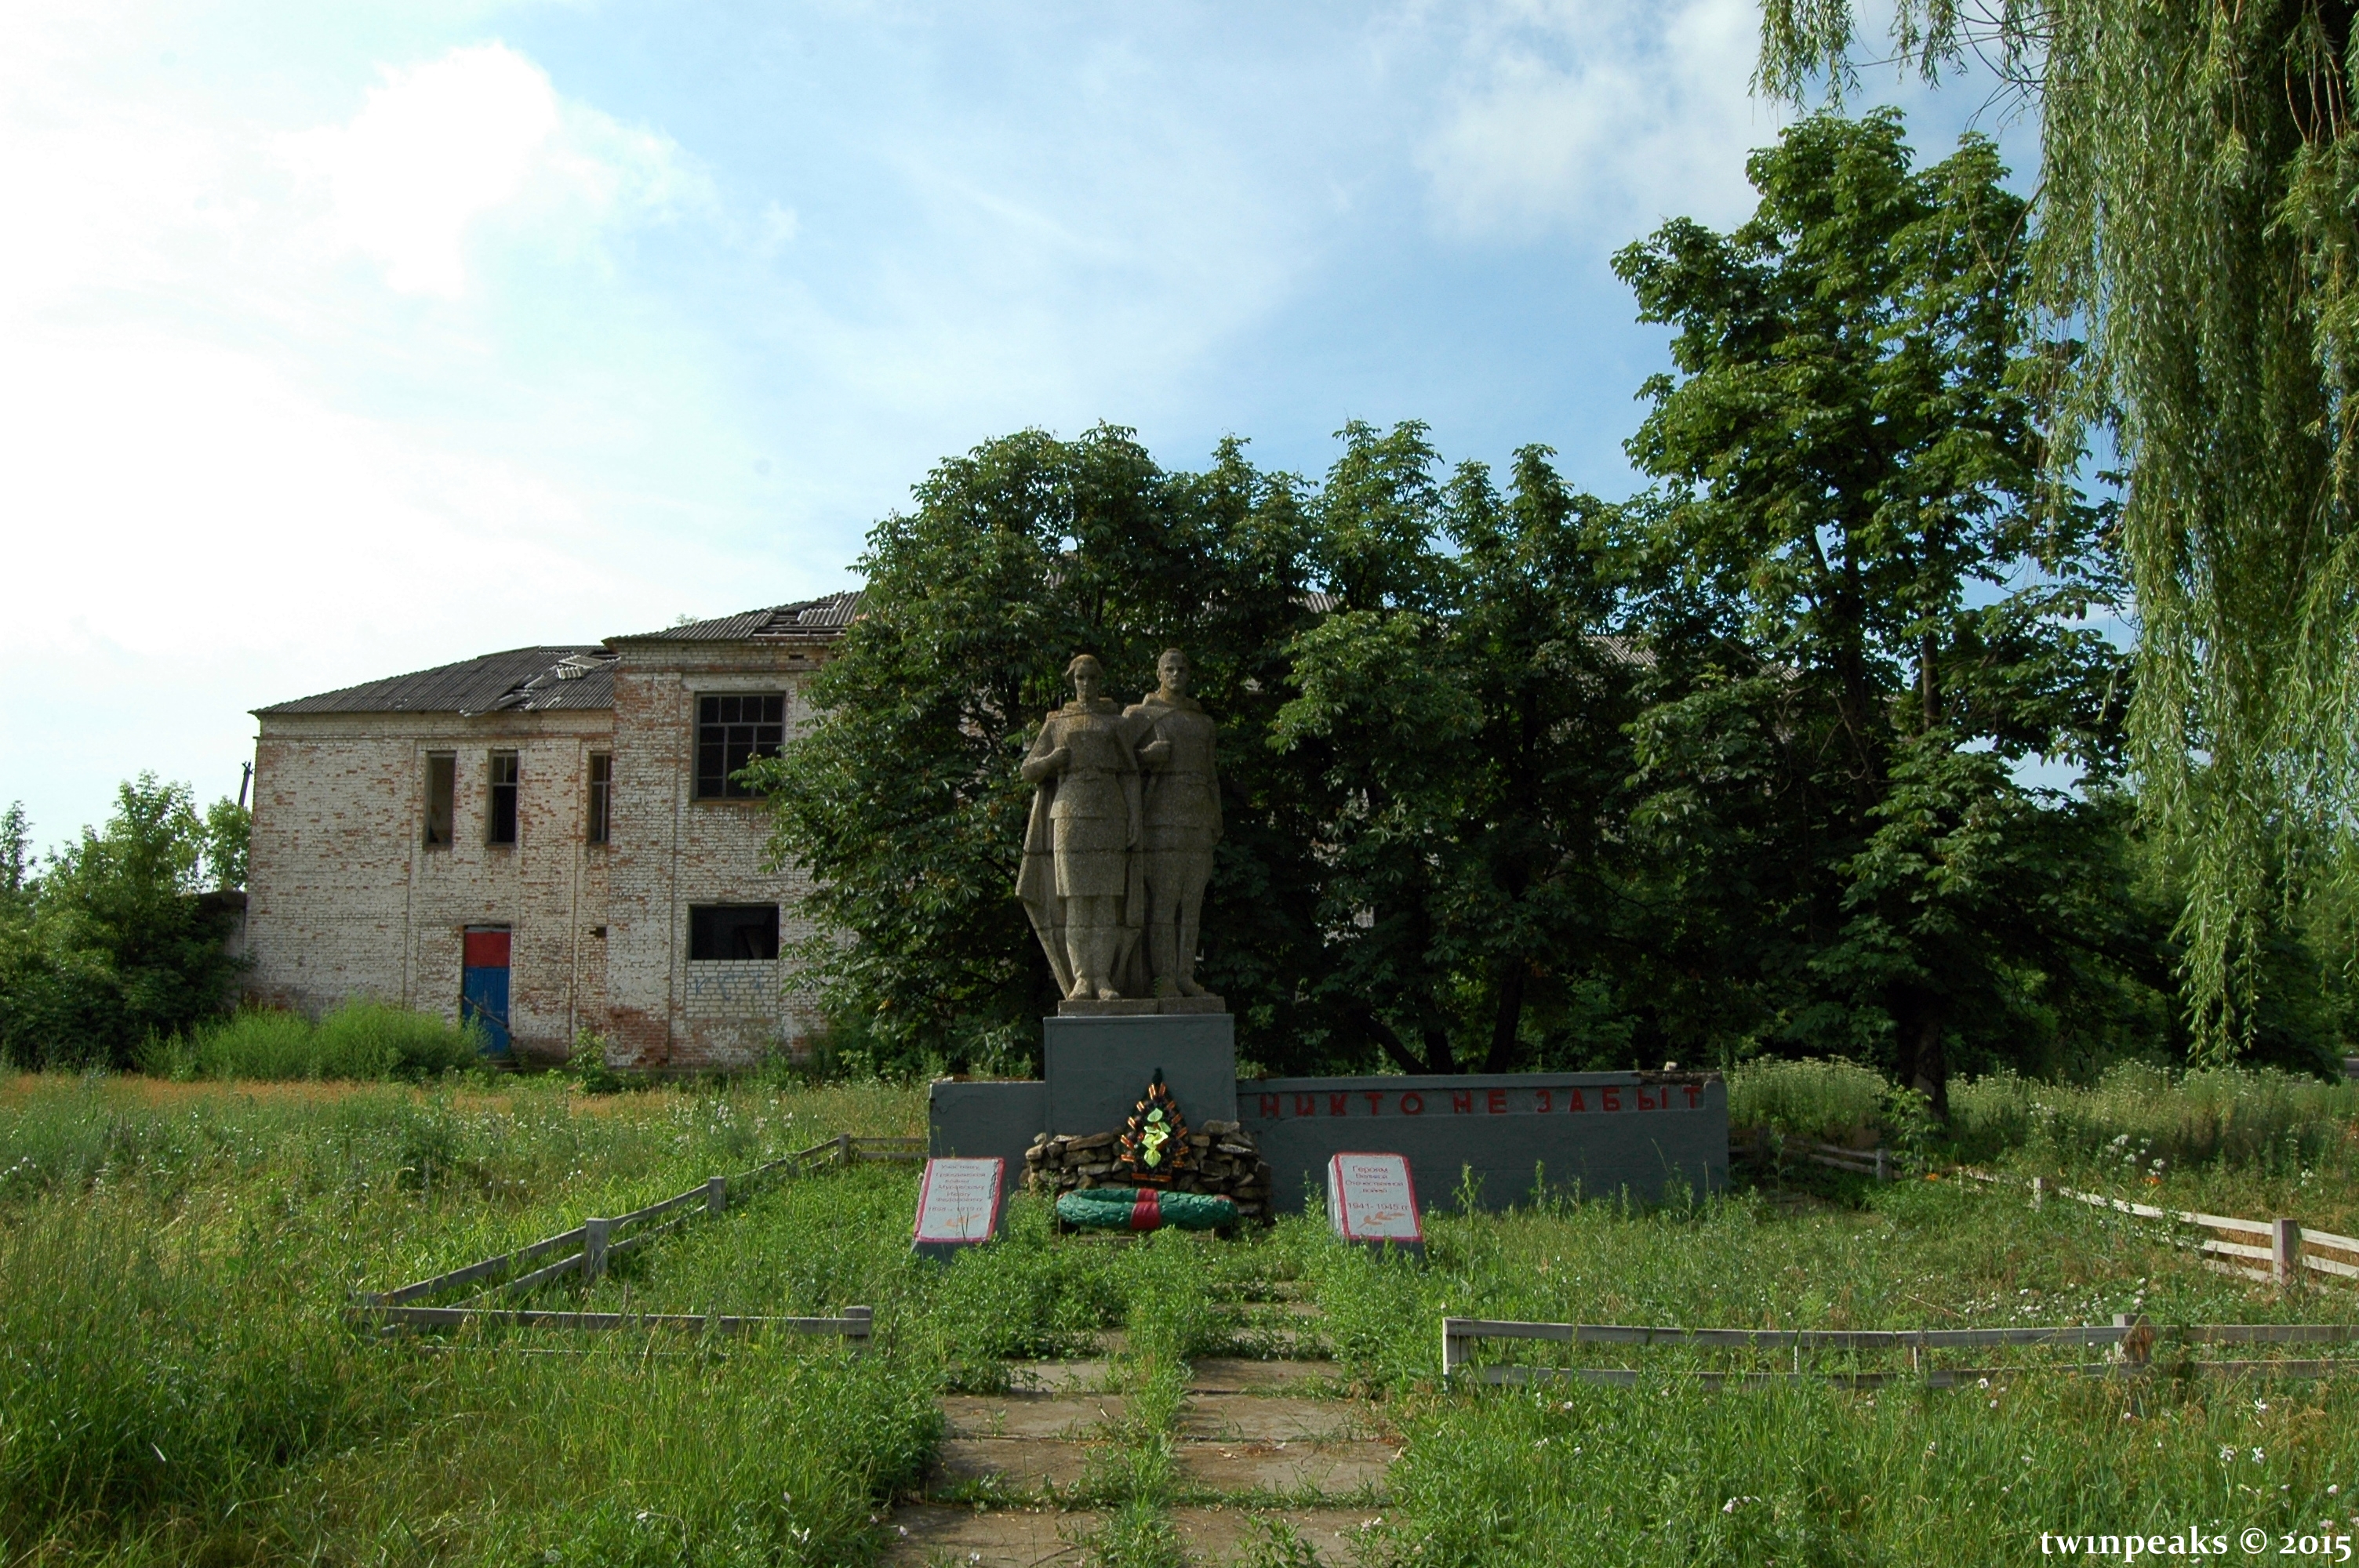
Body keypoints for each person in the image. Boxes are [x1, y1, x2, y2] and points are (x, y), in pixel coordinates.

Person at [1017, 654, 1143, 1001]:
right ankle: (1082, 978)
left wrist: (1134, 817)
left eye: (1091, 677)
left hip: (1109, 813)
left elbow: (1130, 774)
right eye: (1080, 678)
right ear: (1073, 682)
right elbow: (1029, 770)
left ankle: (1102, 976)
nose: (1085, 684)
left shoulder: (1114, 722)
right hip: (1070, 815)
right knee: (1075, 901)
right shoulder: (1058, 723)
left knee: (1105, 901)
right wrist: (1052, 761)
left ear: (1099, 681)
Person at [1126, 648, 1220, 998]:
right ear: (1159, 674)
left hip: (1198, 820)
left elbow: (1211, 775)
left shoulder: (1202, 722)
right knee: (1164, 904)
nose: (1177, 674)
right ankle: (1164, 977)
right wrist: (1146, 758)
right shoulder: (1140, 717)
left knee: (1192, 904)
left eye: (1182, 668)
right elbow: (1118, 764)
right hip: (1160, 822)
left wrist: (1216, 817)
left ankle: (1185, 975)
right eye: (1170, 668)